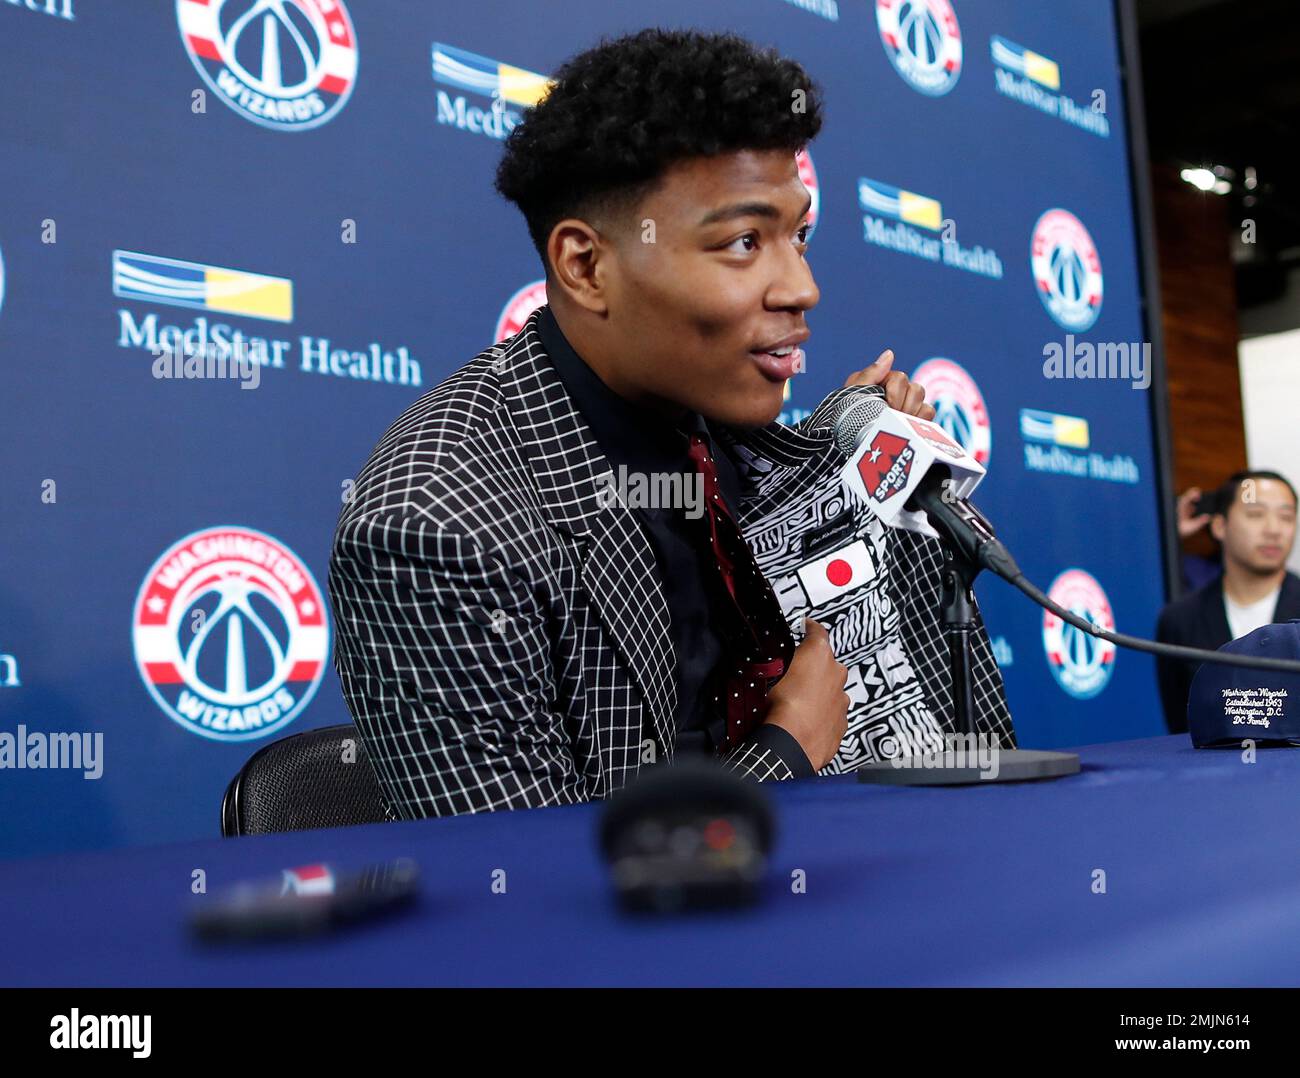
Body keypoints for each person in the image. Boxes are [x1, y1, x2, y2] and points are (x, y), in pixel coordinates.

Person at [326, 28, 1013, 820]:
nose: (803, 287)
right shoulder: (435, 529)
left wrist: (860, 445)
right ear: (586, 267)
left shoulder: (706, 413)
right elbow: (524, 894)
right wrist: (786, 749)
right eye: (744, 242)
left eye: (800, 236)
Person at [1155, 470, 1300, 732]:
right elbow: (1181, 727)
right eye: (1256, 515)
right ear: (1220, 526)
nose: (1274, 530)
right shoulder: (1180, 620)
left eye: (1286, 517)